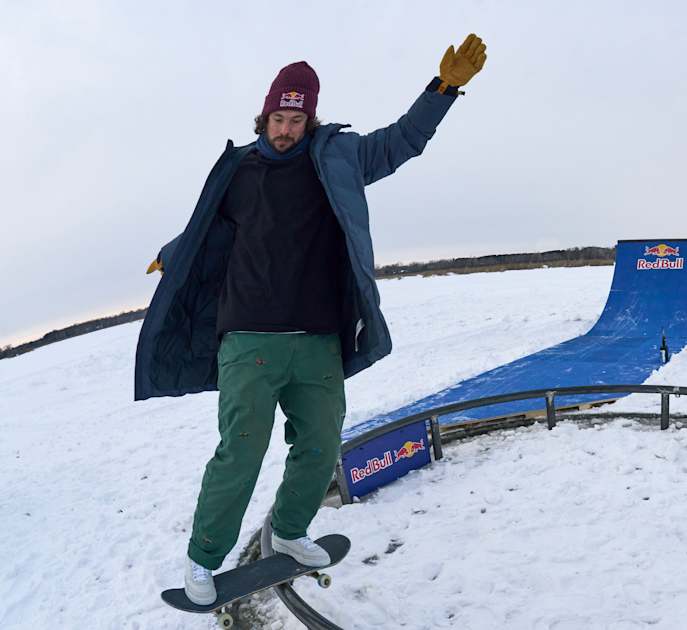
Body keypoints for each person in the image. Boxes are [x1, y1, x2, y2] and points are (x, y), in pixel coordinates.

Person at [134, 35, 487, 606]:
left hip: (318, 338)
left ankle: (291, 532)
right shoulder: (239, 173)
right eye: (278, 115)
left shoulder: (339, 158)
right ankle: (203, 560)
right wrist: (171, 254)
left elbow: (403, 142)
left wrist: (442, 90)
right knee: (241, 450)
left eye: (296, 118)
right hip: (249, 337)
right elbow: (205, 228)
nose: (286, 127)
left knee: (320, 445)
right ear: (264, 115)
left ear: (310, 118)